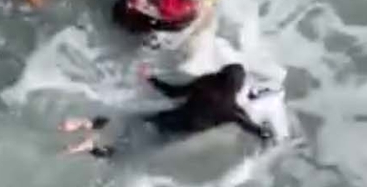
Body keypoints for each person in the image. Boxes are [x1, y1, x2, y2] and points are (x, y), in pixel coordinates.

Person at [60, 62, 274, 156]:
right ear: (237, 87)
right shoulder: (232, 110)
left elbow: (173, 92)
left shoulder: (204, 83)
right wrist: (266, 133)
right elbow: (253, 128)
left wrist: (151, 79)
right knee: (128, 150)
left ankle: (91, 124)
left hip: (171, 116)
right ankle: (92, 148)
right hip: (180, 131)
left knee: (132, 120)